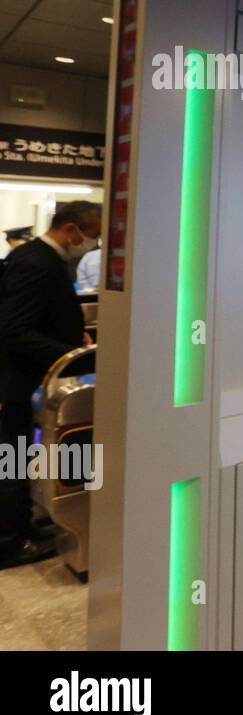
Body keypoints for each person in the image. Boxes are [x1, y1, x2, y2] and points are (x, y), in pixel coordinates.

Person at [0, 201, 99, 570]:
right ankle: (9, 543)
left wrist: (76, 334)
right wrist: (71, 353)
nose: (92, 242)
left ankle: (22, 526)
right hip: (13, 384)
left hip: (23, 380)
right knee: (10, 462)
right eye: (92, 234)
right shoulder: (36, 262)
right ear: (72, 229)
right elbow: (15, 329)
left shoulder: (37, 257)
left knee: (20, 458)